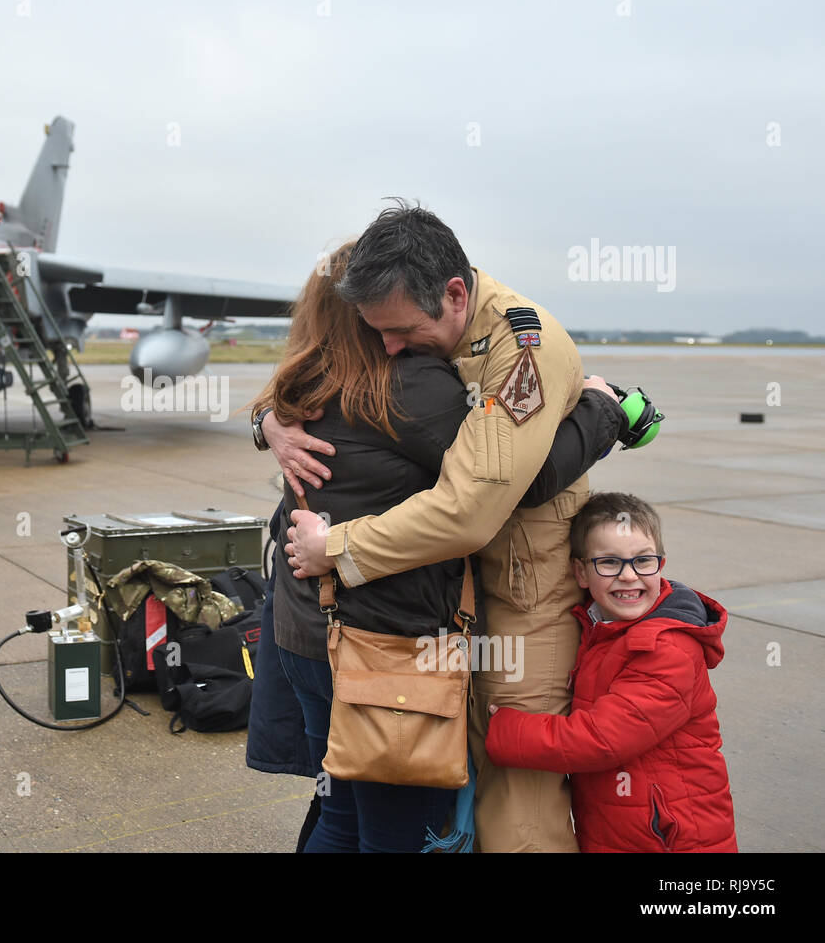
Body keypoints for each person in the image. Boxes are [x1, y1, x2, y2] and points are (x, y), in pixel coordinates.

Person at [276, 201, 630, 852]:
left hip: (523, 604)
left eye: (400, 329)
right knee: (428, 790)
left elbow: (472, 509)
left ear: (456, 294)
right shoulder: (425, 343)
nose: (387, 347)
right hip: (455, 606)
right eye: (374, 330)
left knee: (514, 808)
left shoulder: (525, 349)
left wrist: (339, 548)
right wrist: (269, 424)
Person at [485, 493, 738, 852]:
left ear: (661, 564)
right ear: (580, 573)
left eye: (643, 561)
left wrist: (507, 731)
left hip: (670, 838)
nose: (629, 576)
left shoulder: (669, 650)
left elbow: (601, 740)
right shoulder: (599, 626)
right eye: (609, 563)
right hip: (621, 824)